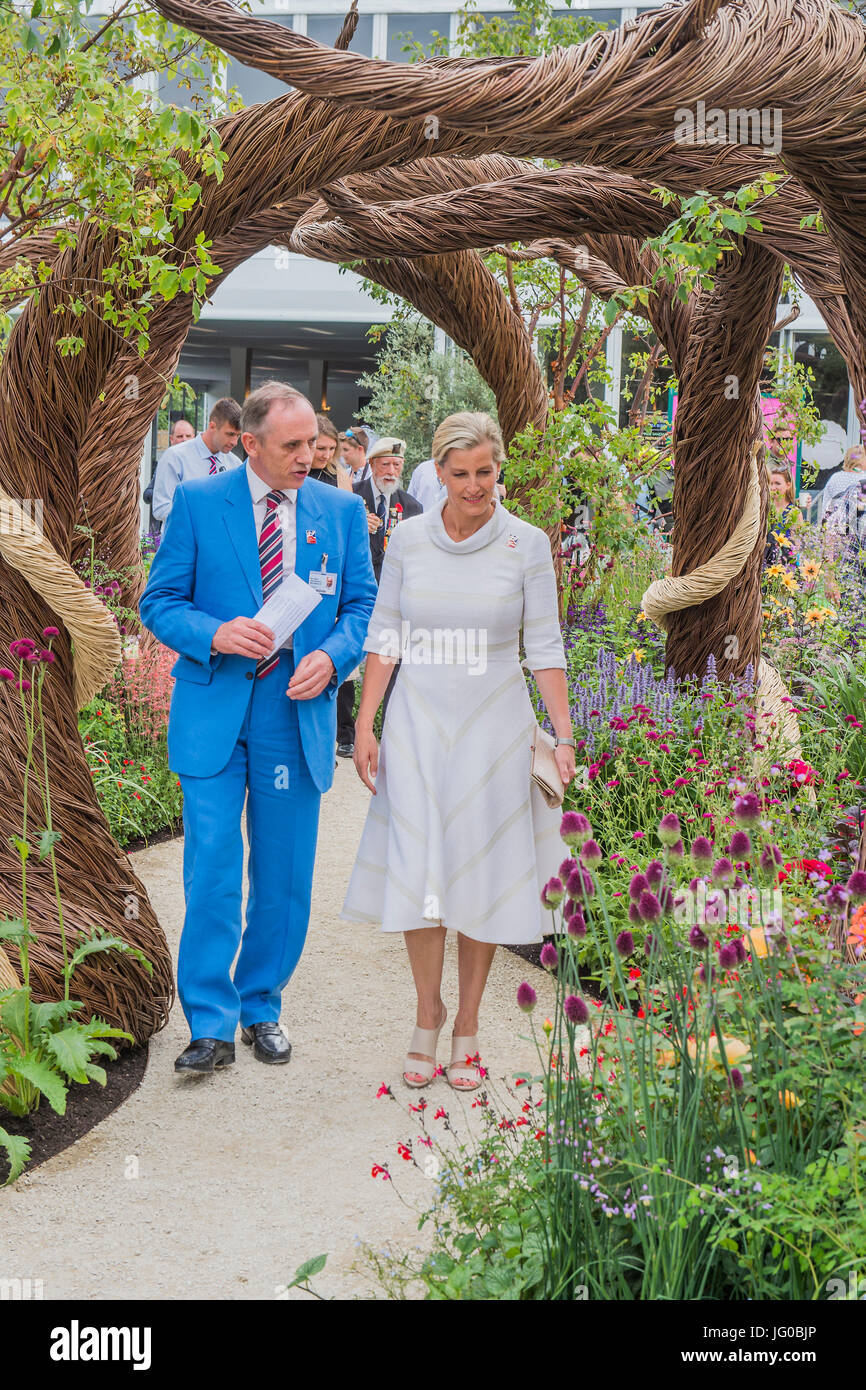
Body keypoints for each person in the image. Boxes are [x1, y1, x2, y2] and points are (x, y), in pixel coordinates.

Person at [140, 381, 377, 1075]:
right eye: (293, 445)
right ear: (250, 443)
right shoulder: (196, 503)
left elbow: (361, 609)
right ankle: (208, 1025)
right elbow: (159, 603)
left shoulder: (339, 510)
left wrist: (331, 662)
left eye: (313, 443)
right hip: (214, 715)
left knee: (282, 875)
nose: (310, 455)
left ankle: (261, 1006)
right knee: (211, 870)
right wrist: (215, 633)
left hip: (292, 716)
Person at [342, 411, 576, 1092]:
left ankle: (468, 1022)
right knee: (421, 871)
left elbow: (547, 647)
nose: (475, 486)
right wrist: (365, 725)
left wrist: (562, 735)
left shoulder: (526, 543)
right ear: (437, 472)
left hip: (495, 724)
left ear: (498, 468)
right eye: (461, 473)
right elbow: (385, 635)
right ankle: (427, 1012)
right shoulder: (410, 540)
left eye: (486, 472)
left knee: (480, 870)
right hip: (418, 721)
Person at [336, 436, 422, 756]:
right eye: (385, 464)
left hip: (393, 597)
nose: (390, 471)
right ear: (371, 464)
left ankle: (388, 733)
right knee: (348, 659)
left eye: (396, 465)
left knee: (391, 662)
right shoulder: (352, 498)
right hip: (355, 592)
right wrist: (359, 525)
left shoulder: (411, 506)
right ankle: (346, 734)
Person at [151, 398, 242, 522]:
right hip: (182, 540)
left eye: (238, 435)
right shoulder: (175, 457)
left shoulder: (236, 465)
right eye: (230, 434)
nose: (235, 442)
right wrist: (202, 518)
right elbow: (161, 509)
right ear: (212, 426)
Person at [143, 418, 195, 515]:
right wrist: (166, 493)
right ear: (171, 439)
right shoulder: (166, 462)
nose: (184, 439)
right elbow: (147, 494)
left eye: (188, 436)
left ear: (194, 437)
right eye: (180, 436)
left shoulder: (201, 460)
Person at [818, 444, 866, 520]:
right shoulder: (863, 479)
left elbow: (825, 506)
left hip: (835, 527)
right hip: (857, 528)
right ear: (861, 461)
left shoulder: (835, 478)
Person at [311, 414, 353, 491]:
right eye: (321, 448)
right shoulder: (291, 473)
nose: (327, 456)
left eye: (332, 448)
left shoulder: (340, 476)